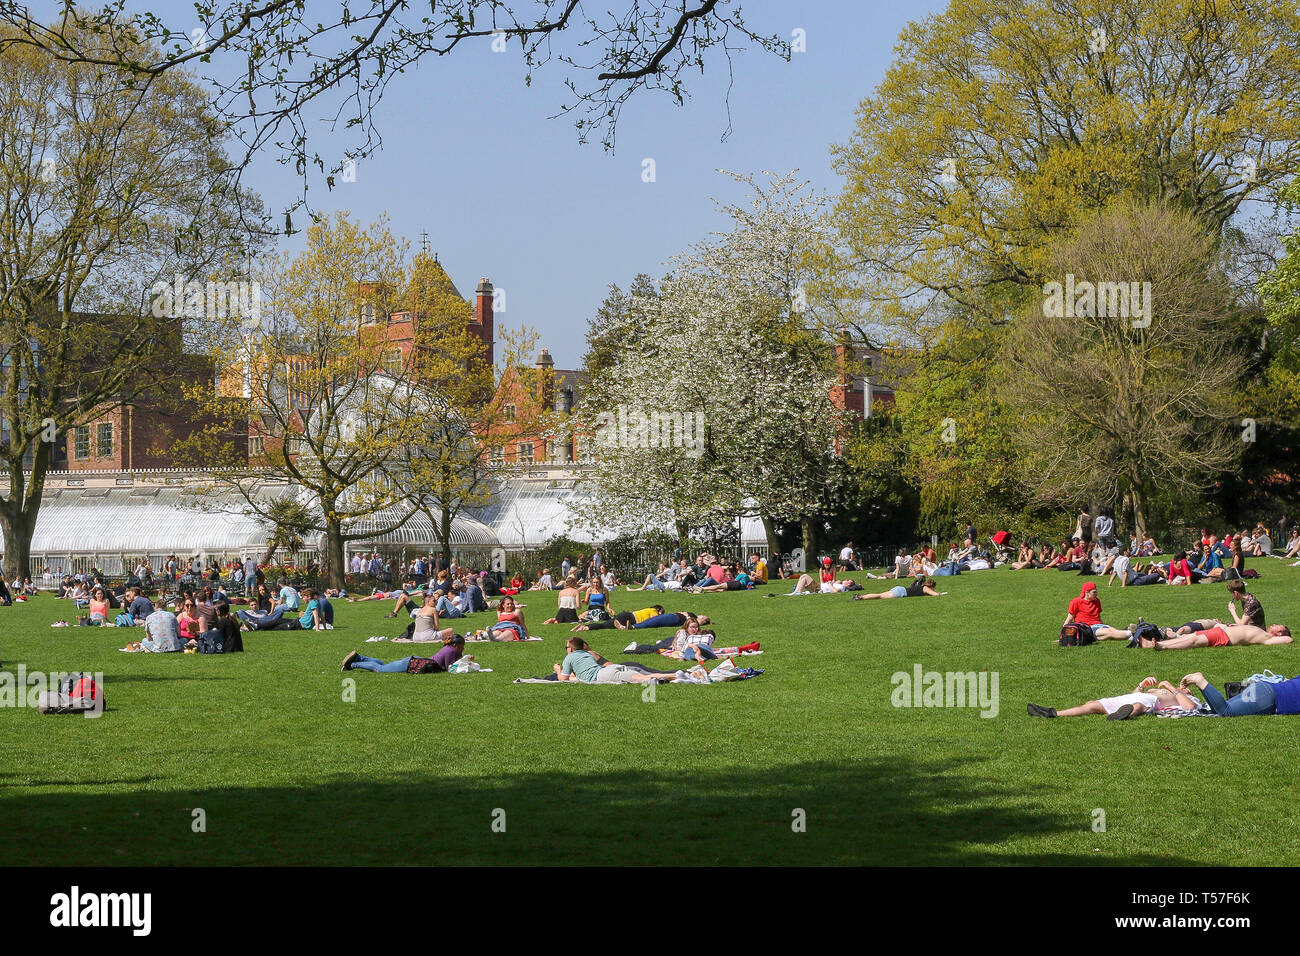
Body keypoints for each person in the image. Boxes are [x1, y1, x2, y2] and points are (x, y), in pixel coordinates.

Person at [1027, 676, 1199, 720]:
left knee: (1138, 705)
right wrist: (1141, 685)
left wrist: (1172, 688)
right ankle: (1054, 712)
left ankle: (1125, 714)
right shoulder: (1167, 690)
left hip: (1150, 702)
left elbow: (1189, 708)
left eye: (1187, 688)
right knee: (1093, 704)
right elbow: (1133, 695)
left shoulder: (1187, 698)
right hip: (1135, 697)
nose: (1184, 688)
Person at [1179, 671, 1300, 717]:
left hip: (1263, 687)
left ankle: (1200, 684)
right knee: (1227, 711)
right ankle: (1200, 681)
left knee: (1218, 710)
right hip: (1270, 697)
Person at [555, 636, 666, 684]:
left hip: (605, 673)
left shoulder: (570, 657)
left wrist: (558, 670)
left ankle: (674, 676)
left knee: (643, 678)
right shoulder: (589, 654)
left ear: (571, 649)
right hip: (612, 668)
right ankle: (673, 676)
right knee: (646, 673)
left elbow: (564, 679)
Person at [342, 633, 468, 674]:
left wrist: (465, 658)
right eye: (462, 647)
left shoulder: (448, 648)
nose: (462, 649)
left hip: (415, 660)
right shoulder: (451, 651)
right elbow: (450, 669)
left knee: (385, 665)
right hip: (414, 664)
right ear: (455, 645)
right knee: (380, 669)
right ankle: (353, 665)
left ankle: (360, 657)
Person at [1059, 581, 1133, 641]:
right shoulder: (1076, 602)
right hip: (1088, 628)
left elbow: (1098, 617)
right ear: (1086, 592)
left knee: (1111, 631)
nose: (1096, 594)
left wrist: (1103, 625)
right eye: (1094, 592)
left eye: (1096, 591)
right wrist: (1063, 636)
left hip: (1099, 625)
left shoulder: (1097, 601)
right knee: (1110, 632)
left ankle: (1132, 635)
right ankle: (1134, 633)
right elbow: (1069, 619)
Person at [1140, 622, 1291, 649]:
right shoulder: (1263, 632)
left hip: (1224, 638)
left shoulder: (1267, 638)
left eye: (1278, 626)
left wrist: (1284, 636)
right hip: (1221, 631)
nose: (1274, 624)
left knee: (1193, 640)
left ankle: (1161, 647)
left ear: (1279, 633)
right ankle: (1156, 643)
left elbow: (1289, 639)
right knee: (1188, 637)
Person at [851, 576, 946, 600]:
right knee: (879, 596)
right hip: (901, 593)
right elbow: (935, 594)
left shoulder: (922, 587)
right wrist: (942, 594)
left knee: (880, 595)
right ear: (931, 586)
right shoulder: (926, 588)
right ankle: (860, 597)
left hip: (900, 589)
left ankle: (860, 597)